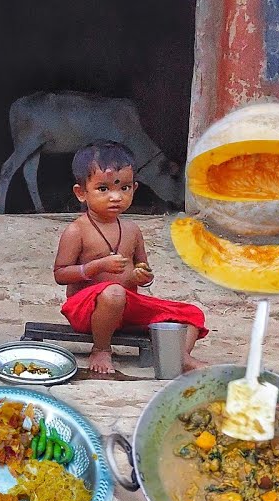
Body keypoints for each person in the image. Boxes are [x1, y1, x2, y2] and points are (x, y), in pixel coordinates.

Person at [53, 140, 209, 375]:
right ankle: (102, 348)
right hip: (86, 309)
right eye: (103, 189)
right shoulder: (77, 230)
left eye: (124, 188)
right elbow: (60, 274)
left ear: (134, 188)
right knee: (113, 293)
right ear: (81, 193)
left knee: (191, 314)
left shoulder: (132, 230)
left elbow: (143, 271)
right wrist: (96, 267)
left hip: (126, 307)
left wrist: (142, 276)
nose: (115, 197)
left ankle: (180, 356)